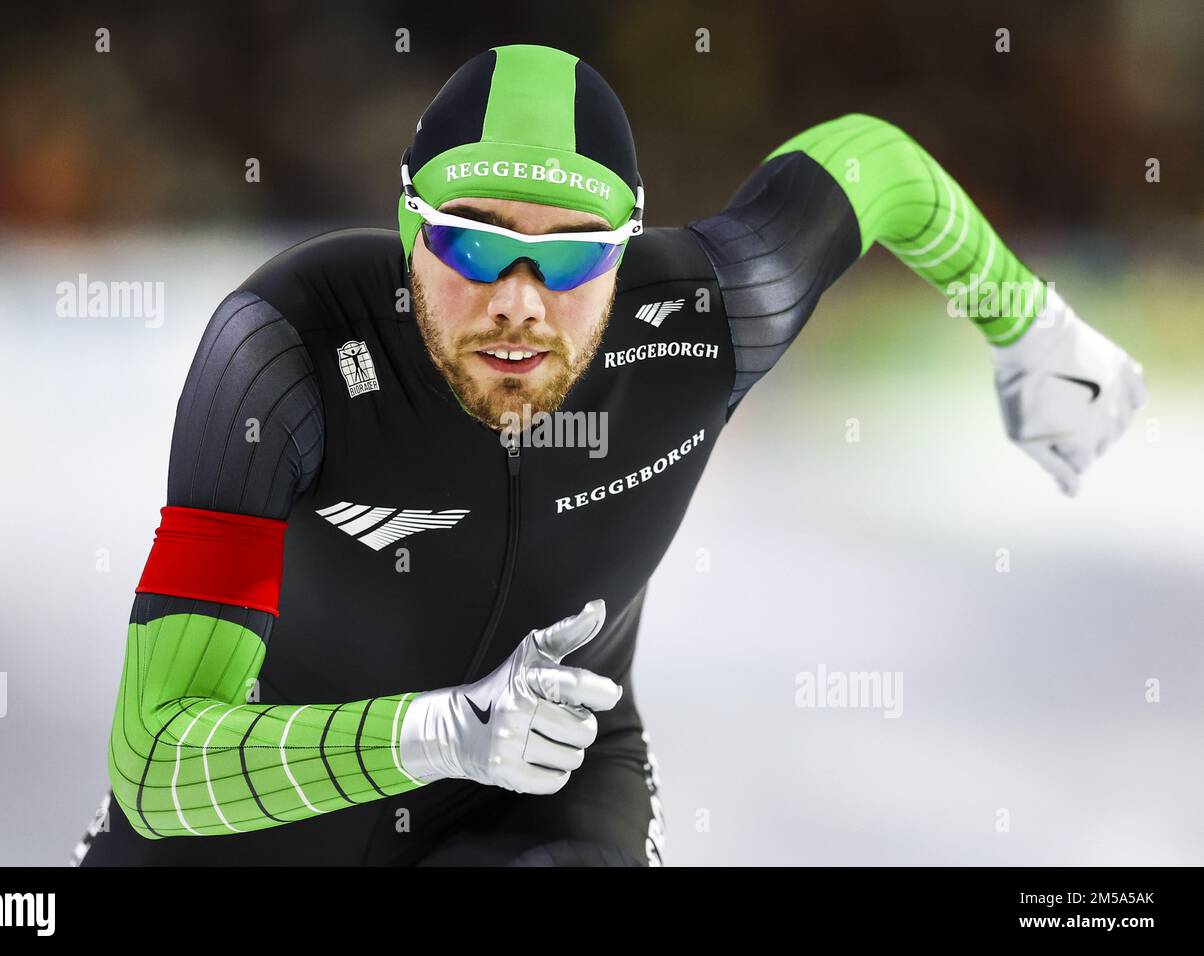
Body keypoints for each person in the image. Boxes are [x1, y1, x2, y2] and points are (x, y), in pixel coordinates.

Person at [75, 43, 1144, 867]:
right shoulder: (284, 353)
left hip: (536, 800)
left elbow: (877, 166)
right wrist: (437, 731)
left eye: (571, 254)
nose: (518, 302)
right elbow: (154, 759)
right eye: (472, 237)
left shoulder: (711, 316)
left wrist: (1030, 323)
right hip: (264, 802)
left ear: (627, 254)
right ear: (408, 231)